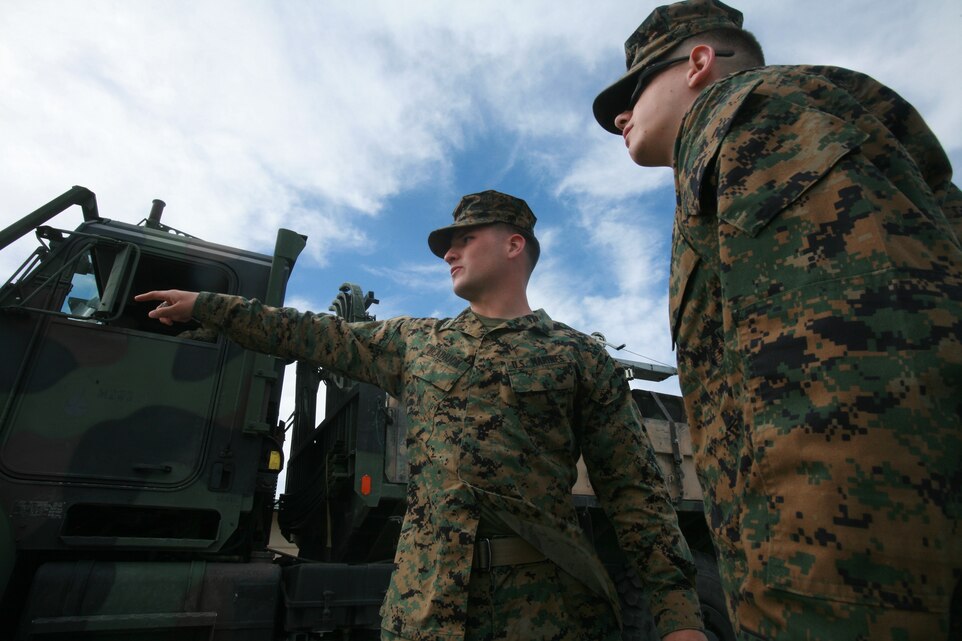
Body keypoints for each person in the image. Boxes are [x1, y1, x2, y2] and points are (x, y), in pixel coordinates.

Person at [135, 190, 709, 641]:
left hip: (548, 609)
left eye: (464, 238)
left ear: (514, 245)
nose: (449, 253)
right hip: (425, 607)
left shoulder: (576, 356)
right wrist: (210, 306)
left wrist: (680, 616)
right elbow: (310, 333)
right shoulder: (416, 343)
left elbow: (635, 494)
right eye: (445, 246)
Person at [591, 1, 962, 640]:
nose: (621, 115)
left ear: (698, 63)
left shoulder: (751, 120)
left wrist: (820, 613)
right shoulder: (740, 143)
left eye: (634, 88)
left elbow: (847, 373)